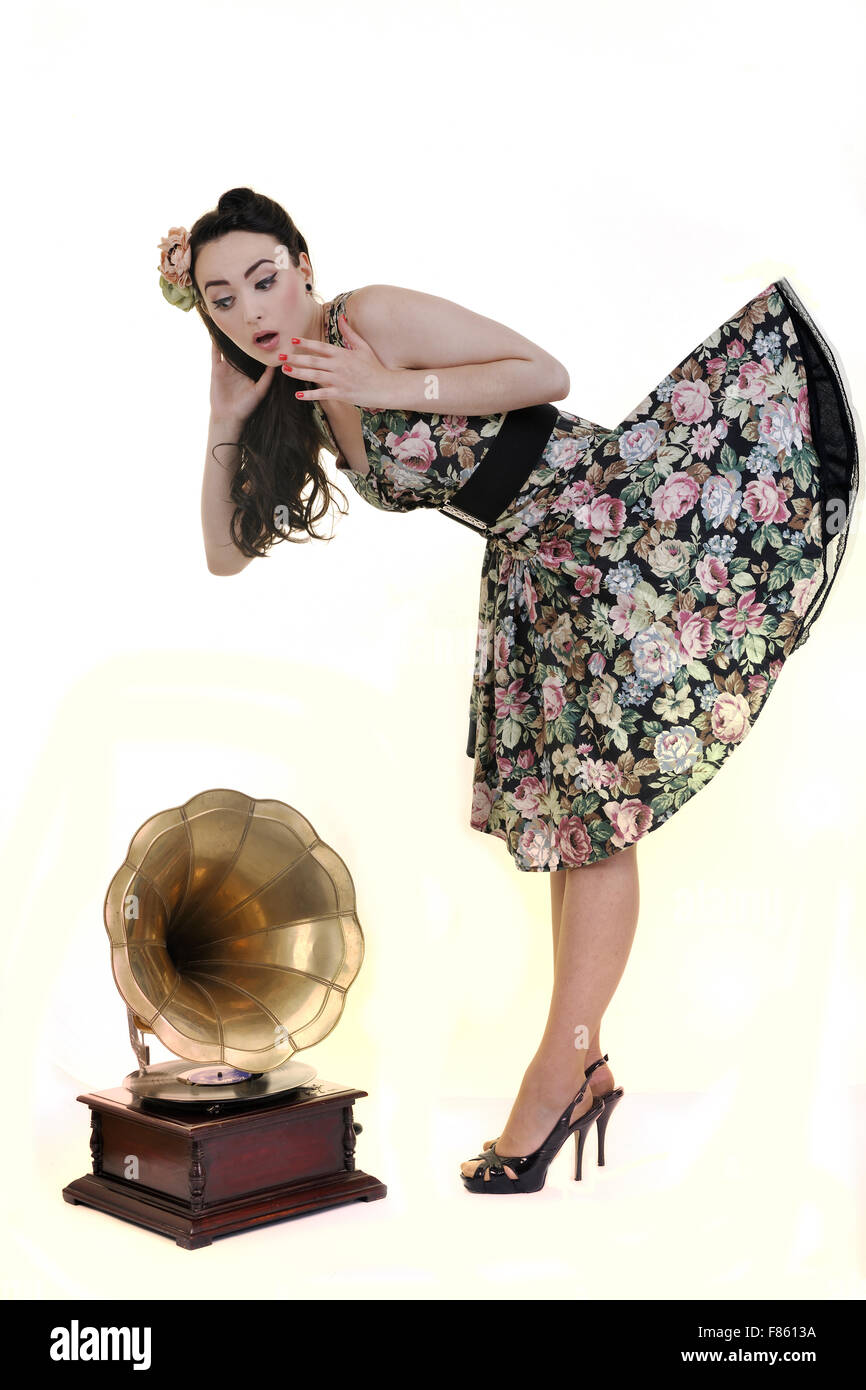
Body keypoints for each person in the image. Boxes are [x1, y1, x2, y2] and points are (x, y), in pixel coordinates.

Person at [158, 186, 860, 1193]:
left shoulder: (372, 319)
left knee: (601, 824)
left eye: (263, 278)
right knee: (576, 826)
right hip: (538, 570)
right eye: (221, 298)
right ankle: (581, 1064)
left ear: (302, 265)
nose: (251, 309)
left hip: (611, 521)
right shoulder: (293, 394)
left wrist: (382, 377)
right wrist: (225, 414)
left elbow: (544, 373)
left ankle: (553, 1076)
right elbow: (224, 558)